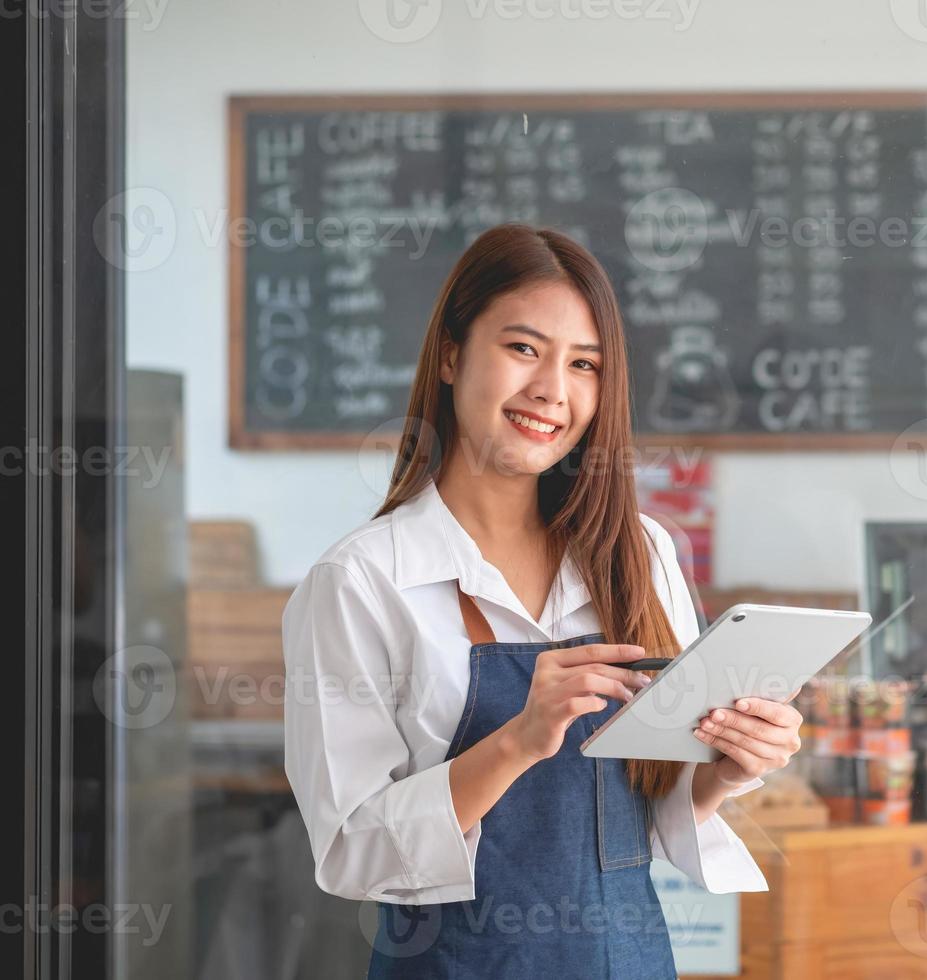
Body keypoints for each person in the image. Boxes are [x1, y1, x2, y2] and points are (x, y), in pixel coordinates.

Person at [281, 224, 803, 978]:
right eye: (524, 349)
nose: (552, 391)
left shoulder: (639, 554)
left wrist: (728, 767)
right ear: (453, 355)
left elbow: (645, 818)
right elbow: (351, 849)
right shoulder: (362, 582)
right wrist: (516, 742)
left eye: (584, 364)